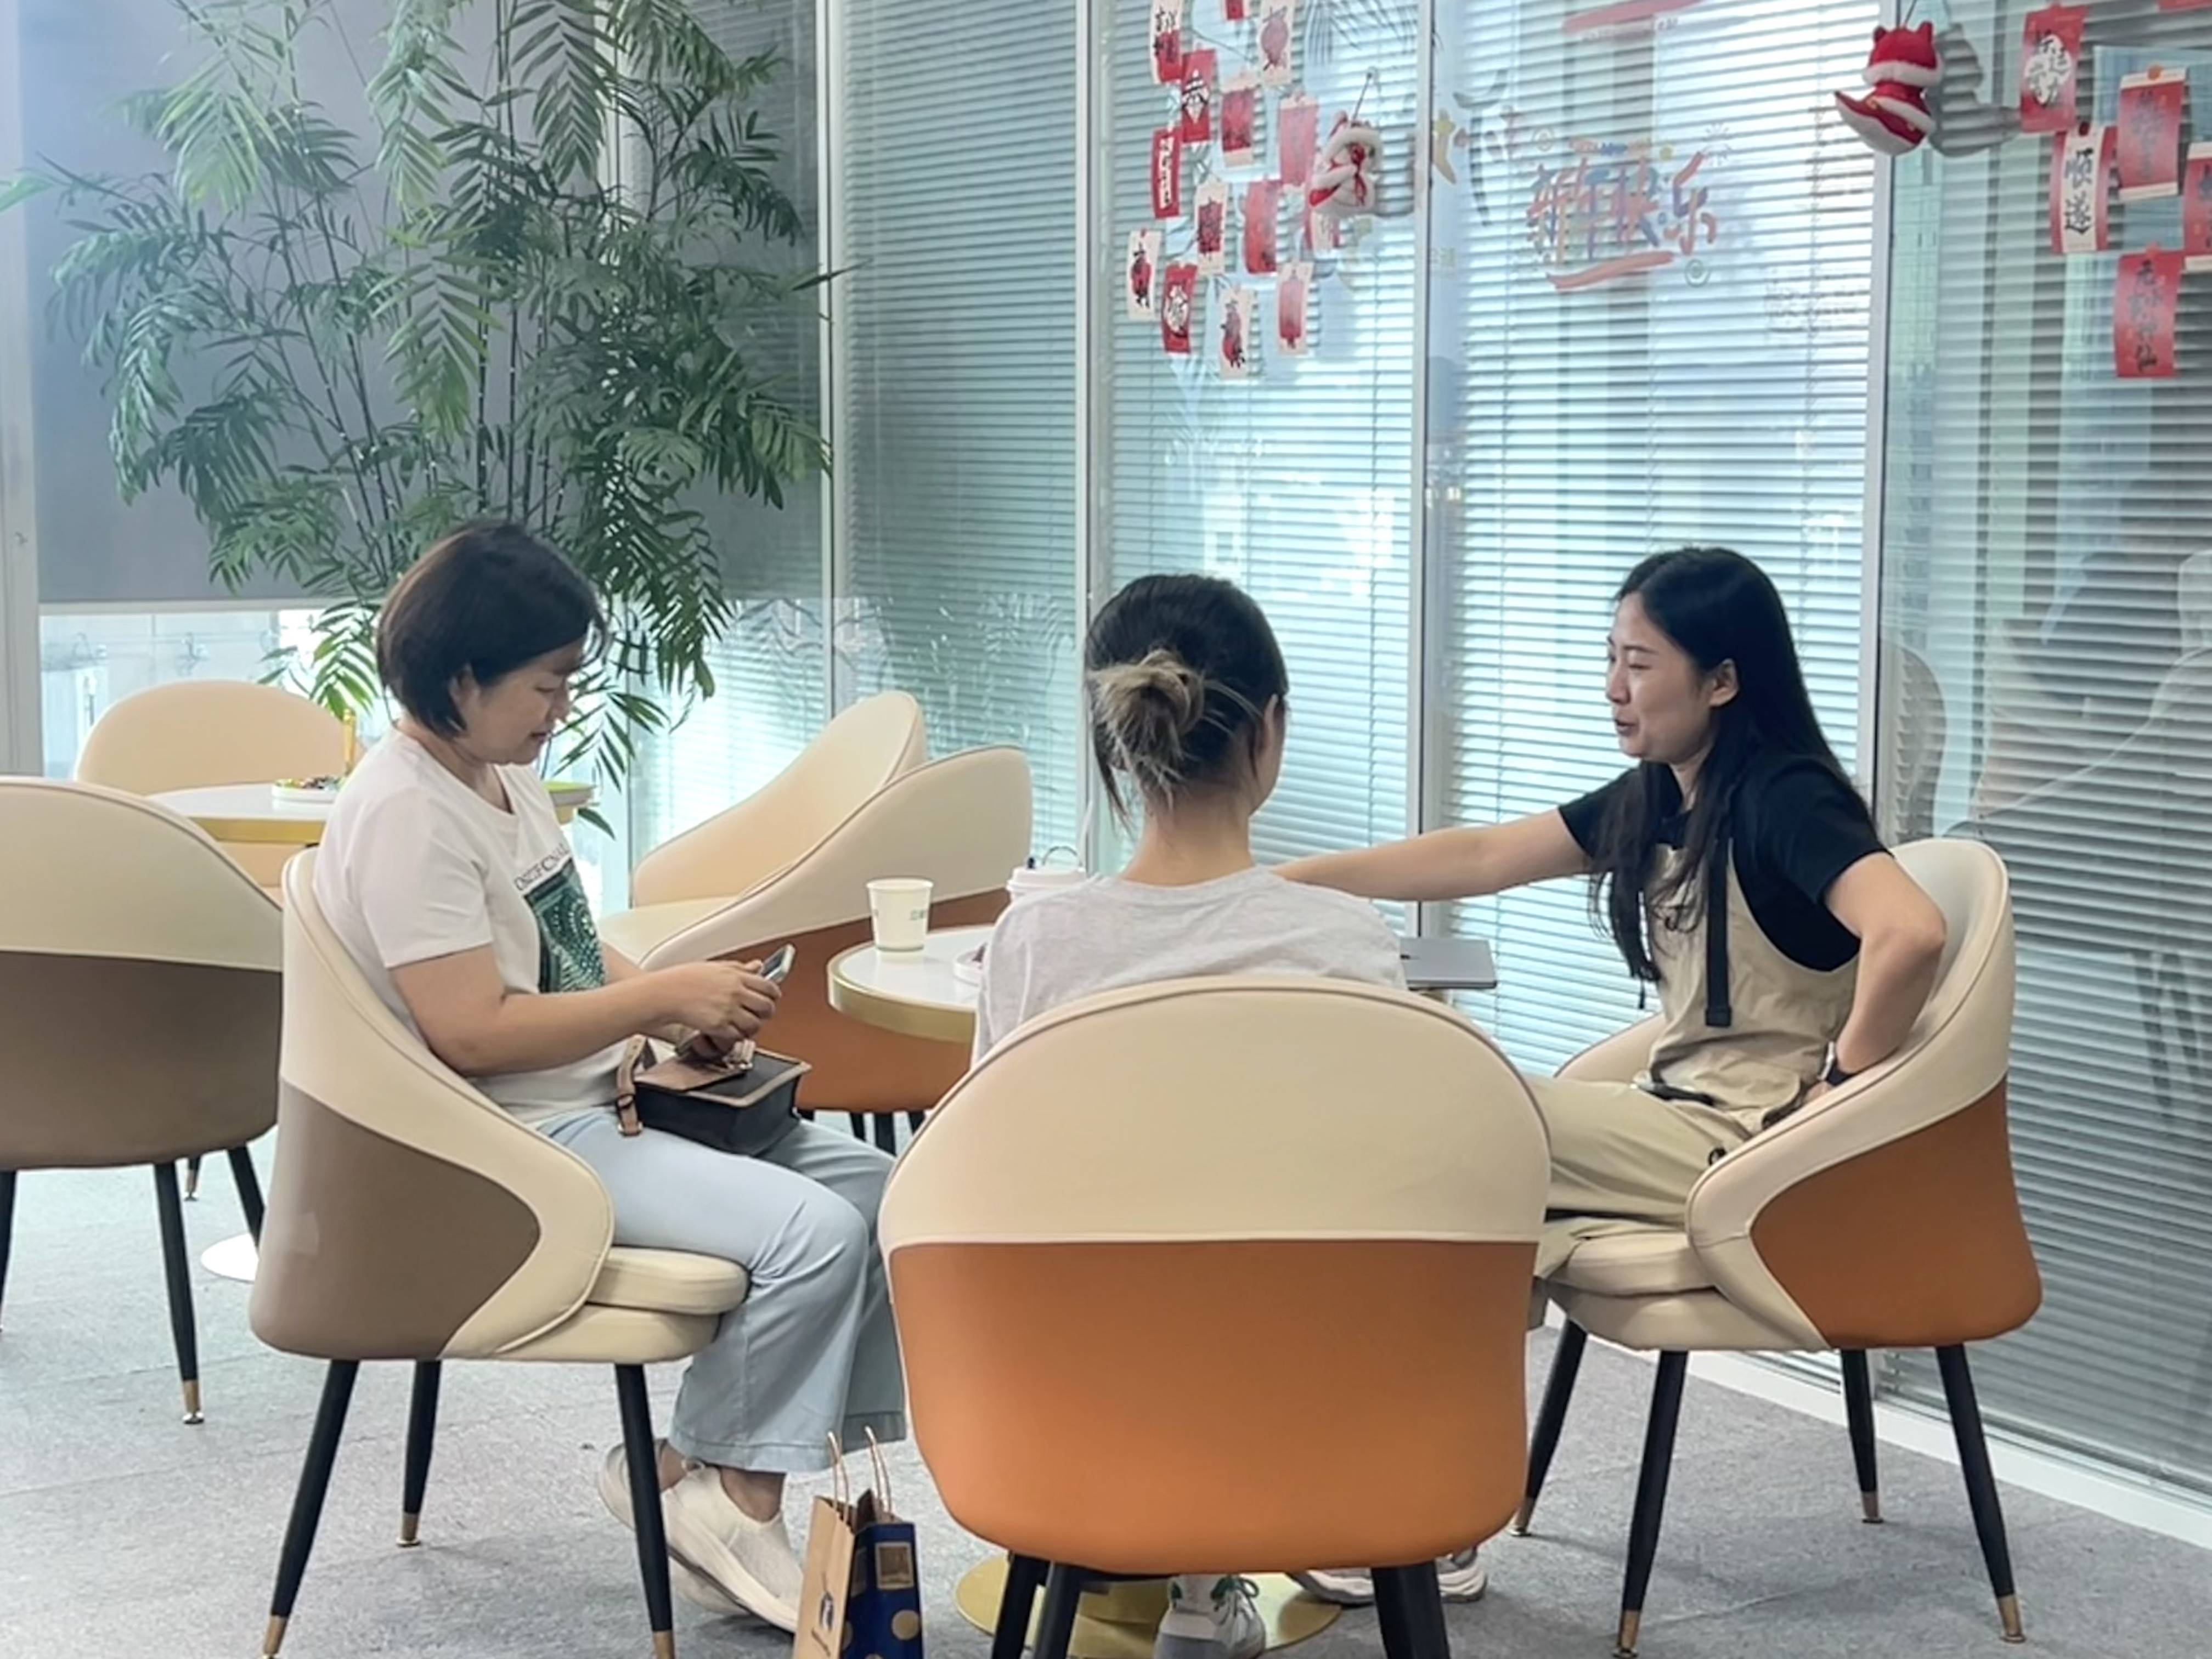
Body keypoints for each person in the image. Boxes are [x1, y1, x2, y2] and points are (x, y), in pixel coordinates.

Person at [314, 523, 902, 1632]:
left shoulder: (500, 776)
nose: (562, 707)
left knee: (886, 1195)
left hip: (602, 1097)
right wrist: (657, 1003)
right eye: (547, 683)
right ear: (463, 679)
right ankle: (738, 1496)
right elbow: (472, 1034)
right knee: (815, 1235)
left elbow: (573, 952)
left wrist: (680, 1014)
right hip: (515, 1138)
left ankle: (684, 1470)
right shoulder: (405, 817)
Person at [972, 573, 1488, 1659]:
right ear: (1271, 732)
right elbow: (1387, 1177)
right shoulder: (1345, 942)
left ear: (1116, 742)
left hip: (1077, 1404)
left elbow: (986, 1186)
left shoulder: (1037, 944)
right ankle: (1210, 1590)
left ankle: (1194, 1588)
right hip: (1320, 1393)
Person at [1286, 547, 1949, 1276]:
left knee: (1455, 1114)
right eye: (1611, 659)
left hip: (1747, 1136)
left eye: (1638, 665)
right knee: (1449, 1152)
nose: (1613, 689)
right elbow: (1483, 857)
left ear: (1722, 682)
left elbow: (1911, 931)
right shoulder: (1664, 794)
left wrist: (1839, 1091)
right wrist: (1283, 883)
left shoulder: (1787, 798)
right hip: (1675, 1113)